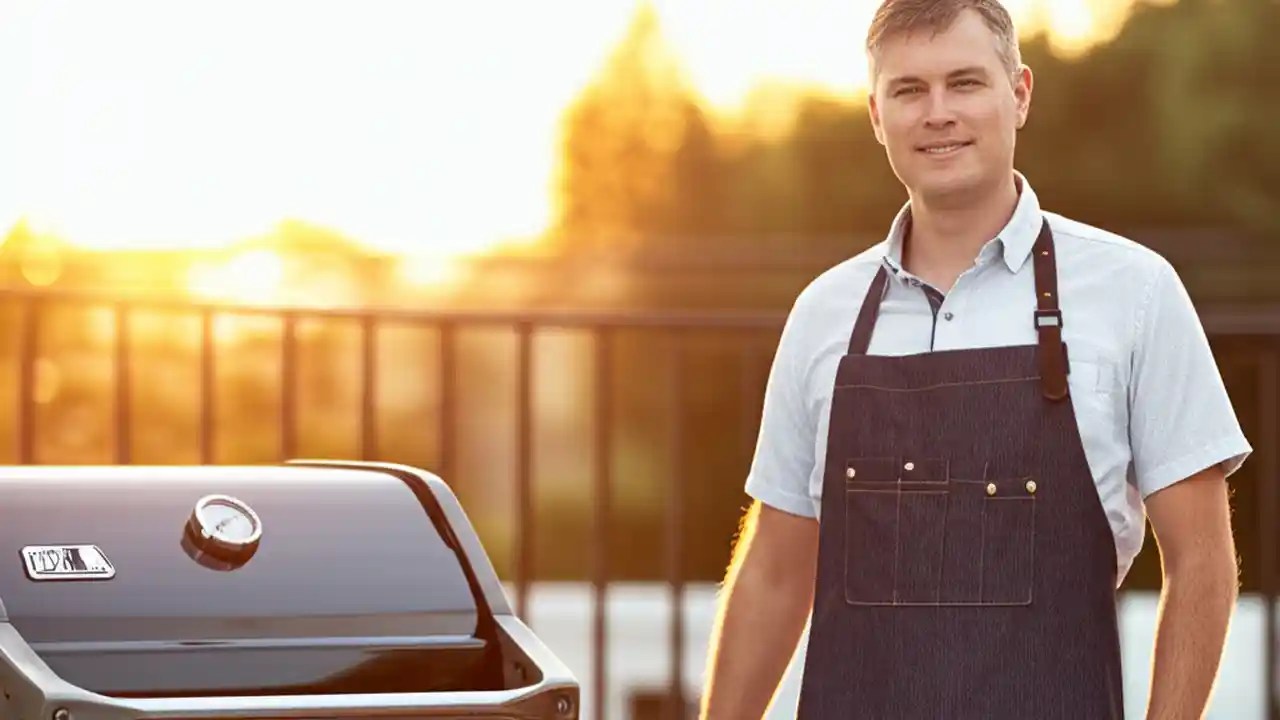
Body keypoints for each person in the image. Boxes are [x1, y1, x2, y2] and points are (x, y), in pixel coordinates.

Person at [697, 1, 1252, 718]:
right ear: (876, 116)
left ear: (1018, 94)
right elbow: (774, 571)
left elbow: (1201, 558)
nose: (938, 113)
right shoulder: (822, 316)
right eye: (909, 90)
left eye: (965, 83)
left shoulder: (1135, 293)